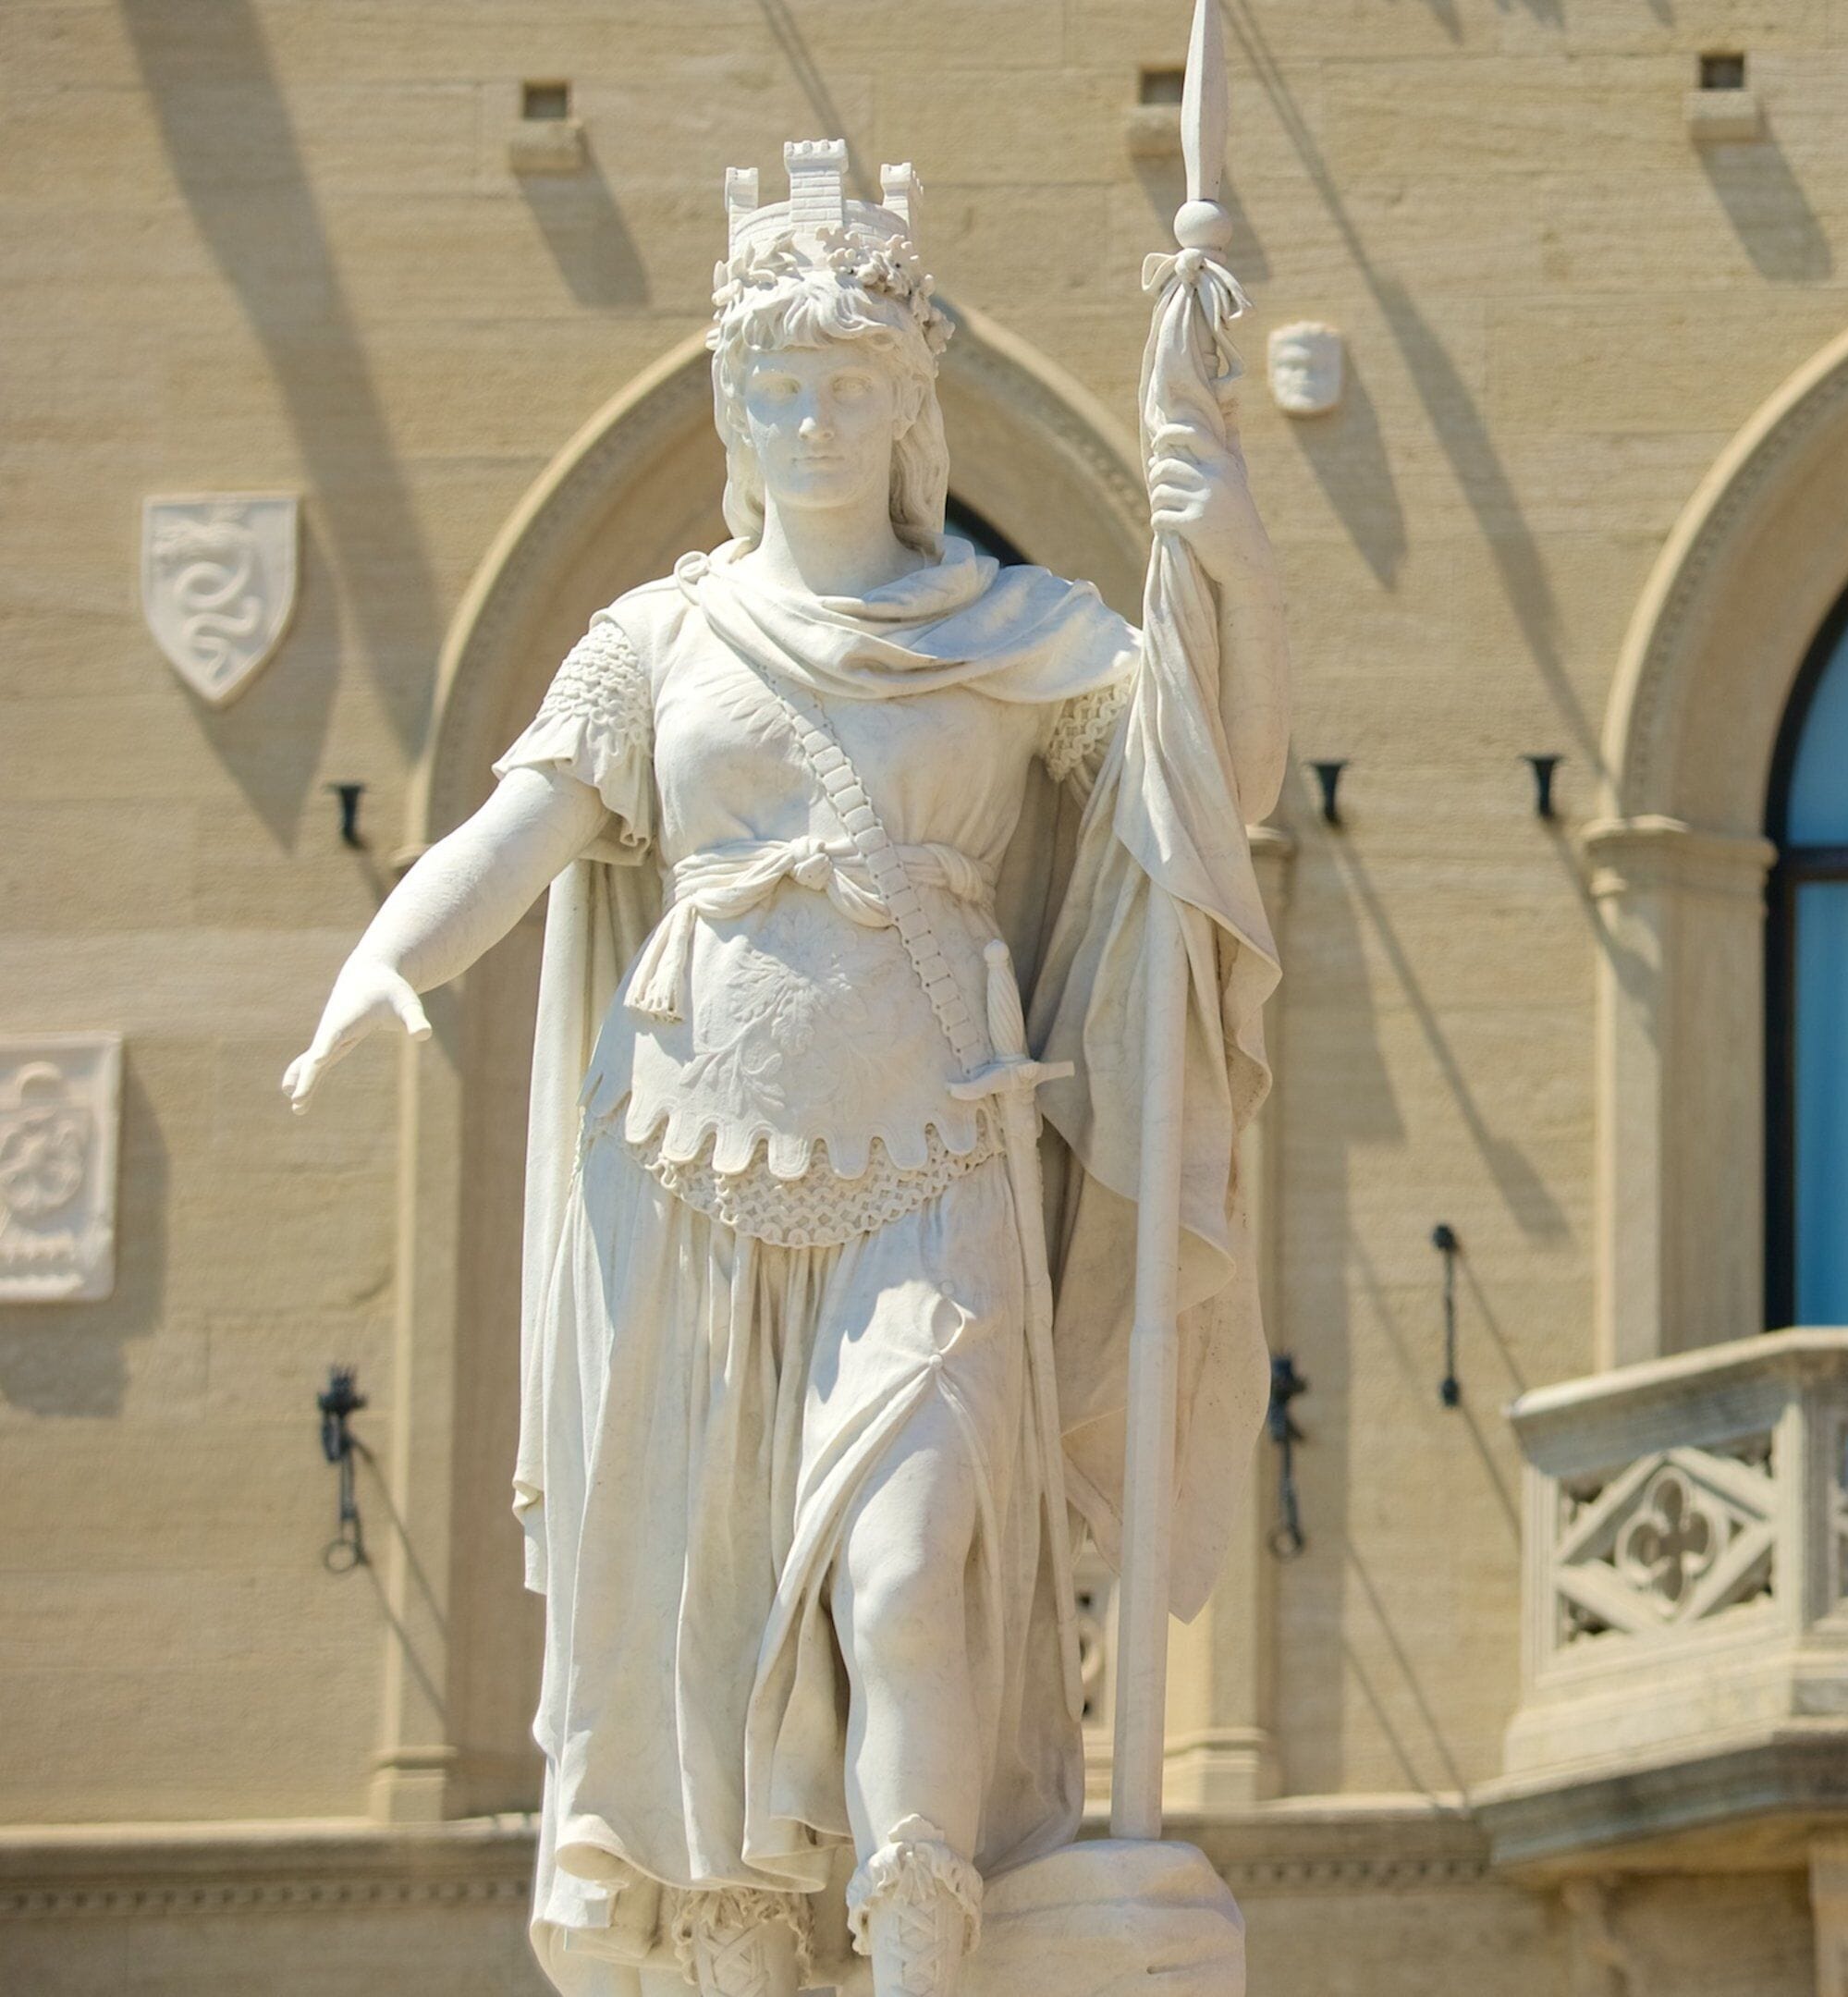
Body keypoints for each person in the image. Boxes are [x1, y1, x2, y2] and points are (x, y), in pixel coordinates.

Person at [280, 142, 1284, 1997]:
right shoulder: (654, 646)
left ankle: (920, 1965)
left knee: (906, 1580)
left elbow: (1198, 785)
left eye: (849, 382)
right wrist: (384, 960)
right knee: (715, 1643)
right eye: (780, 385)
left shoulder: (1016, 638)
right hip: (690, 1179)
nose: (813, 413)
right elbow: (515, 833)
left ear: (914, 407)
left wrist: (1212, 527)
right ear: (735, 410)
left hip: (936, 1173)